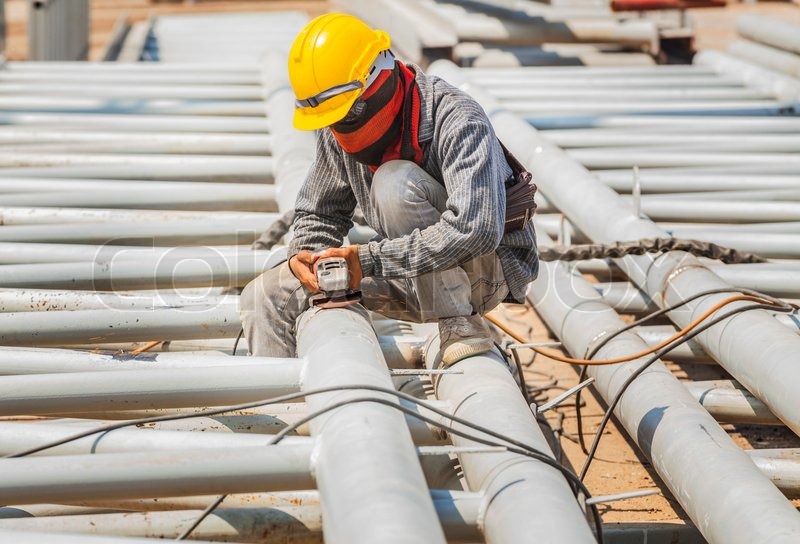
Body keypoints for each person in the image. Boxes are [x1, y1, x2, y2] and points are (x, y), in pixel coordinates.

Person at [240, 13, 538, 365]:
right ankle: (289, 413)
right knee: (262, 295)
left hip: (484, 275)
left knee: (393, 183)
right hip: (409, 272)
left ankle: (458, 323)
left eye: (345, 116)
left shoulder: (457, 118)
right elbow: (319, 212)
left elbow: (477, 230)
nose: (338, 130)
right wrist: (309, 257)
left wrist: (367, 261)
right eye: (330, 120)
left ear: (376, 83)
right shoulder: (337, 123)